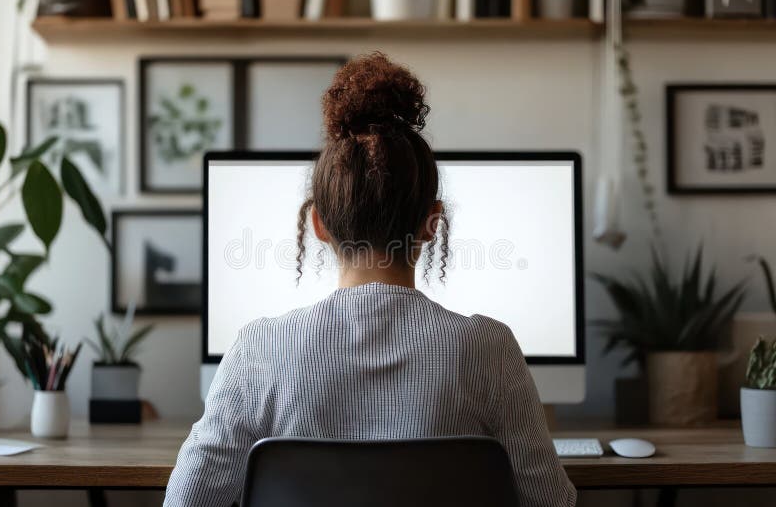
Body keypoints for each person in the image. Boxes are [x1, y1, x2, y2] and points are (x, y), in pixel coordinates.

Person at [165, 52, 576, 507]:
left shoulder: (259, 350)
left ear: (318, 224)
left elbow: (186, 502)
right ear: (431, 223)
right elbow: (552, 502)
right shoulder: (490, 349)